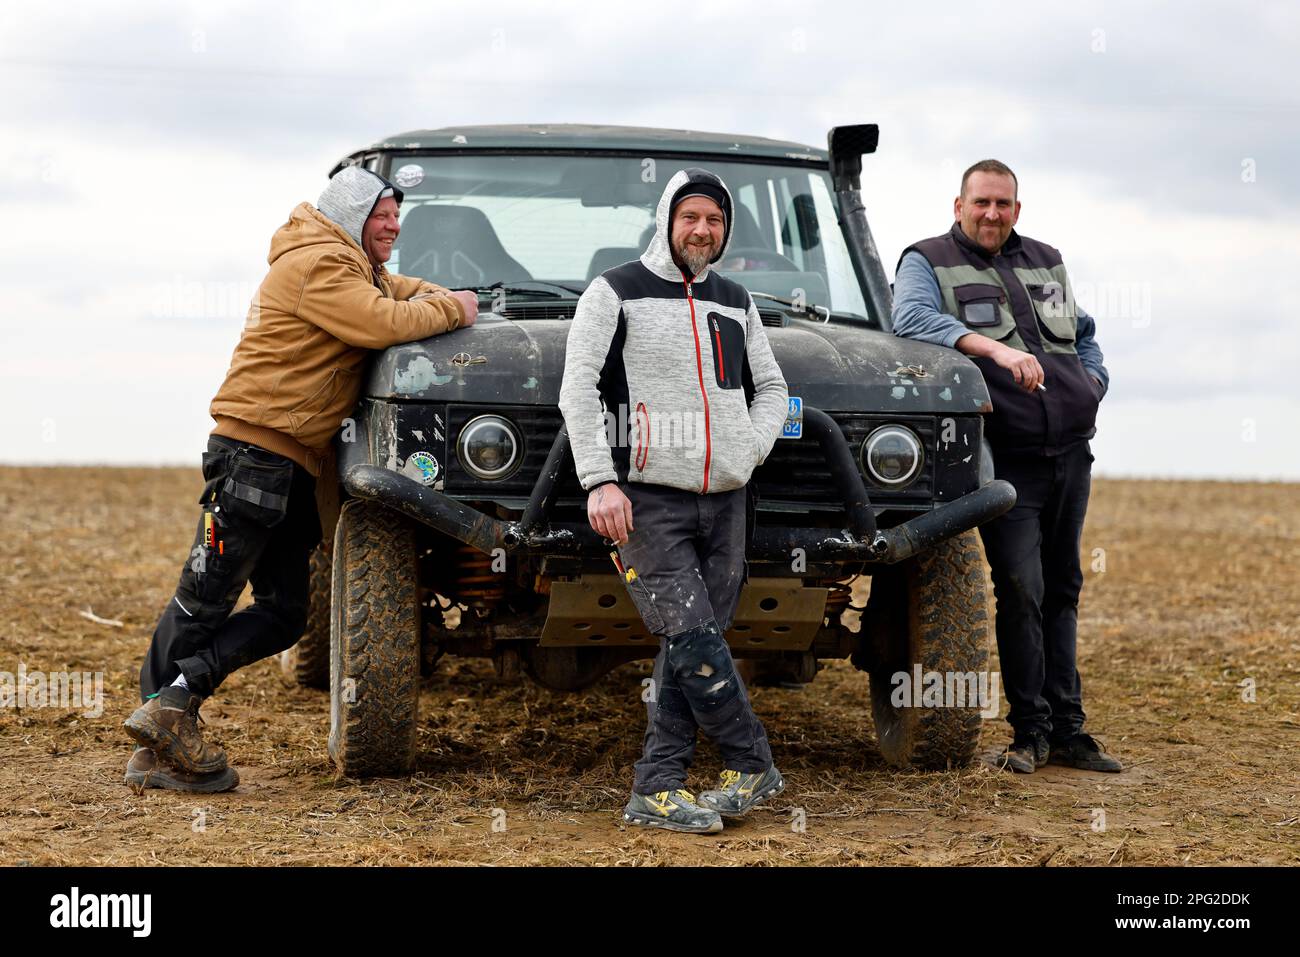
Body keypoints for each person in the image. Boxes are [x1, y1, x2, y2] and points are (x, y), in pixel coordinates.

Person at [123, 166, 478, 792]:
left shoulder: (350, 267)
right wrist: (453, 309)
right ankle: (156, 744)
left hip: (286, 464)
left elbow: (396, 290)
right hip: (255, 454)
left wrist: (462, 297)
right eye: (382, 215)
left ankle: (169, 708)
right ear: (350, 217)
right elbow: (382, 322)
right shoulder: (320, 265)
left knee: (287, 612)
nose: (394, 225)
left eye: (398, 216)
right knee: (203, 598)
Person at [559, 168, 790, 832]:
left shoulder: (736, 299)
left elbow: (771, 387)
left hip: (726, 498)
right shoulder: (615, 292)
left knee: (693, 648)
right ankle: (750, 760)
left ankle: (655, 788)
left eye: (714, 220)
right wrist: (599, 480)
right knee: (690, 634)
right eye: (690, 217)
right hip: (646, 499)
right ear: (667, 220)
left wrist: (749, 445)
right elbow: (578, 390)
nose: (702, 230)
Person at [891, 159, 1122, 774]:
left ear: (1017, 208)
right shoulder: (927, 260)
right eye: (981, 203)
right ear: (959, 204)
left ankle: (1070, 731)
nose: (992, 214)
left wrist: (1093, 383)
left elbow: (1086, 333)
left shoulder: (1046, 259)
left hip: (1072, 449)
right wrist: (994, 348)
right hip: (1006, 457)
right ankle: (1030, 735)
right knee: (1021, 588)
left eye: (1004, 204)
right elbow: (909, 320)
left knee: (1063, 587)